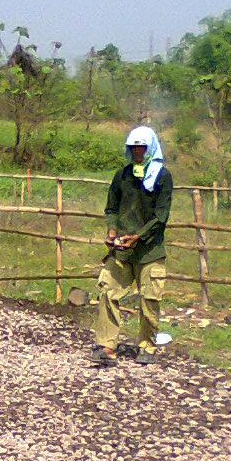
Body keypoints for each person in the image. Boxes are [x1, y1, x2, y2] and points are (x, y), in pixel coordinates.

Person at [92, 126, 174, 367]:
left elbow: (160, 216)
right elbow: (111, 208)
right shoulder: (122, 176)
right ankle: (107, 346)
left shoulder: (162, 177)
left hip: (150, 251)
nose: (137, 152)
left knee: (149, 299)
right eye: (133, 148)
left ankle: (146, 346)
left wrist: (138, 236)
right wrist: (112, 232)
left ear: (150, 148)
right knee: (107, 290)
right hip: (122, 250)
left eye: (141, 147)